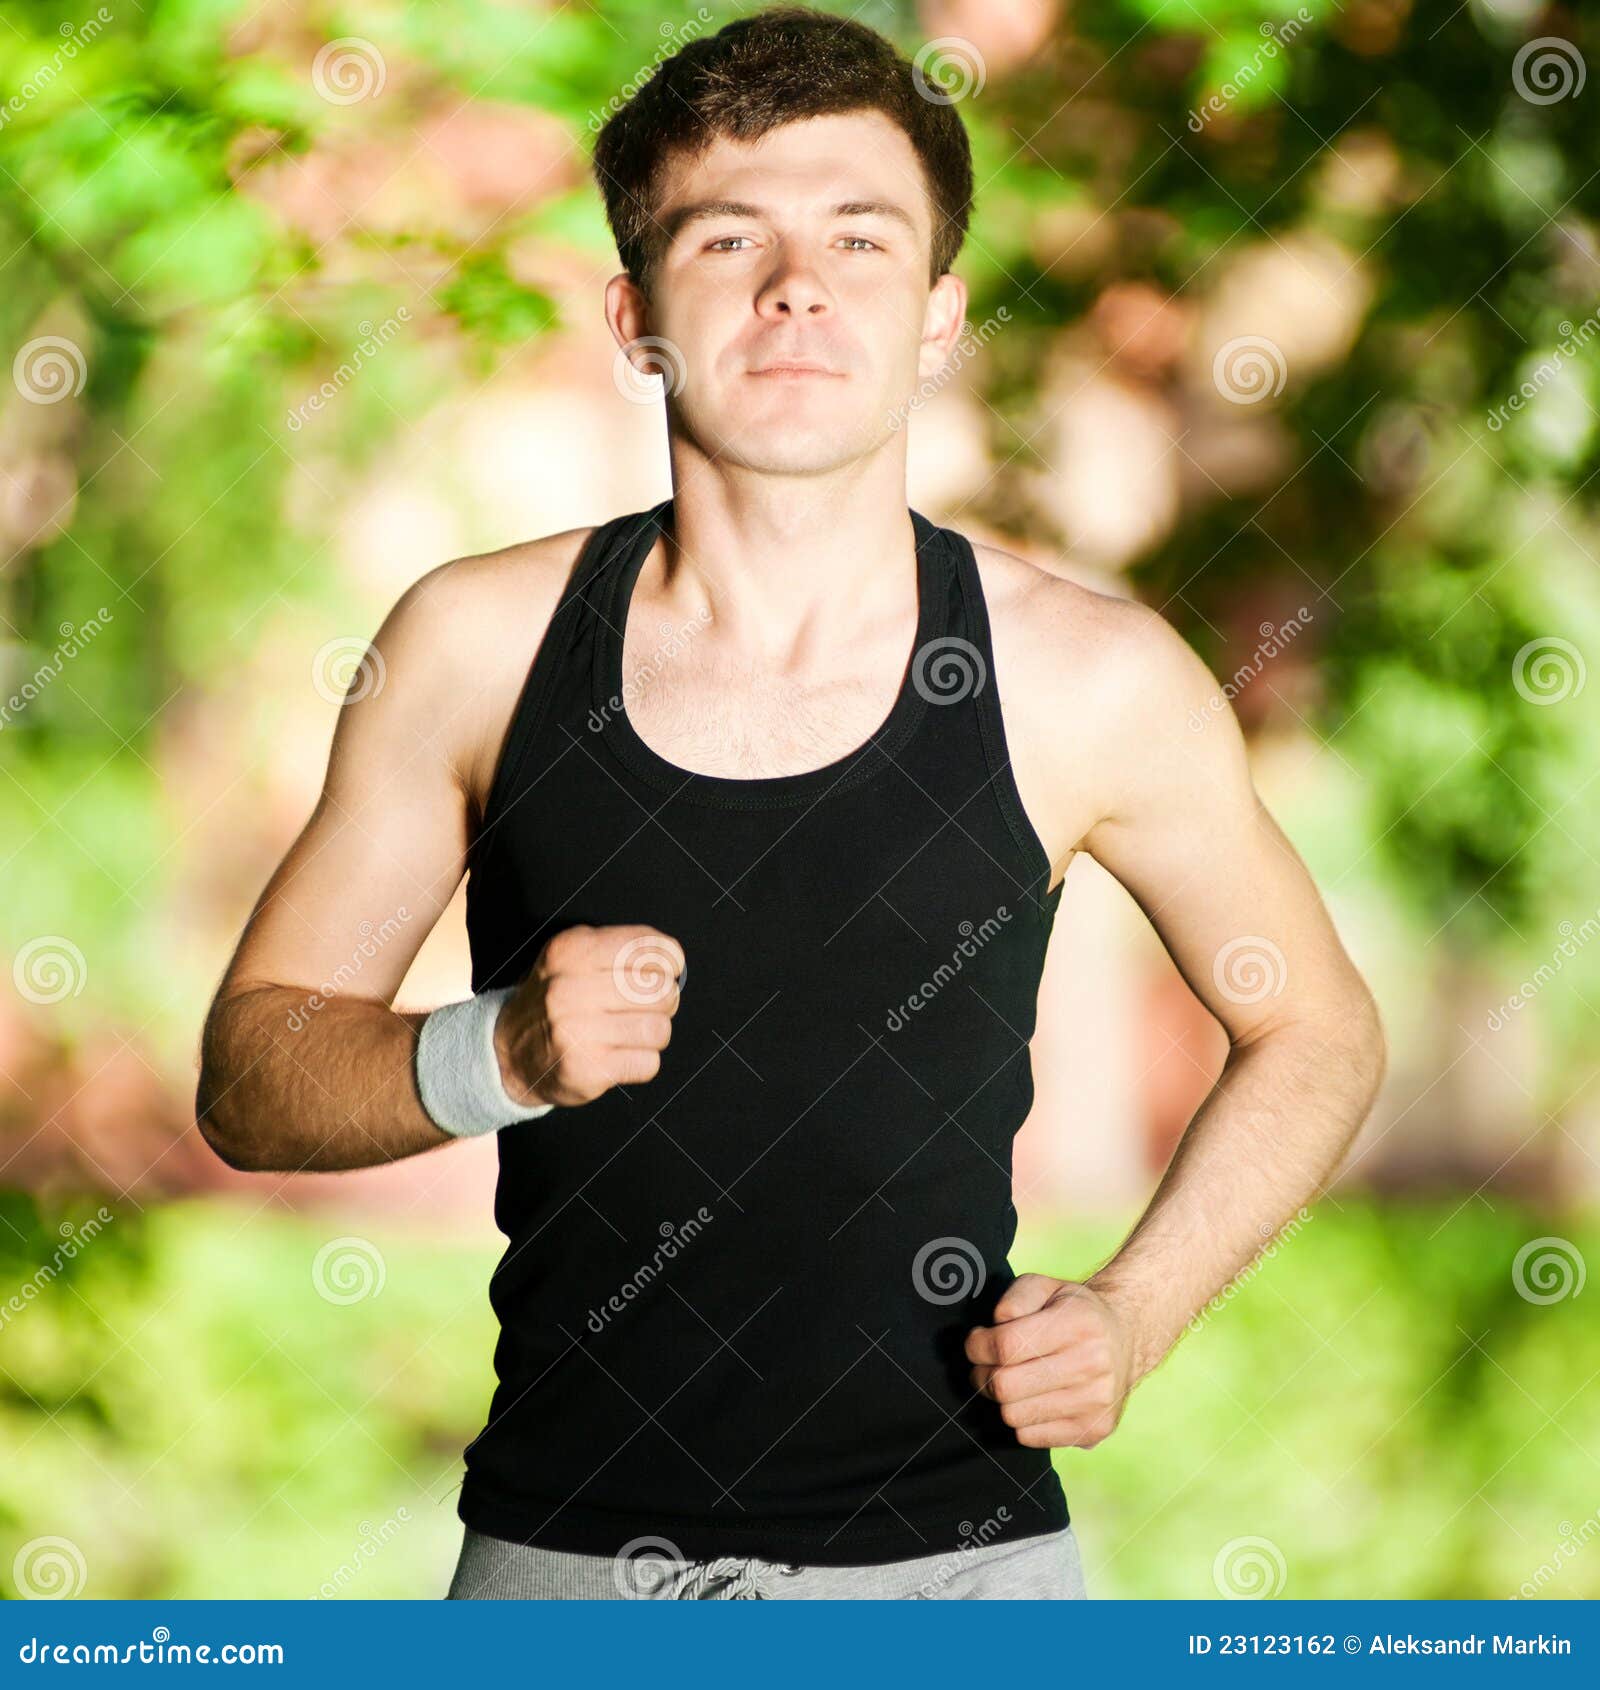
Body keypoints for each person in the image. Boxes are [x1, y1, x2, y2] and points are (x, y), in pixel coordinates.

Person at [195, 6, 1386, 1601]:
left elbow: (1317, 1030)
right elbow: (248, 1072)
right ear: (634, 319)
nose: (797, 286)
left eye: (861, 238)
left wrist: (1136, 1309)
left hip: (967, 1574)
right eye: (729, 238)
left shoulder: (1088, 678)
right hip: (564, 1563)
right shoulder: (474, 647)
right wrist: (498, 1050)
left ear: (942, 314)